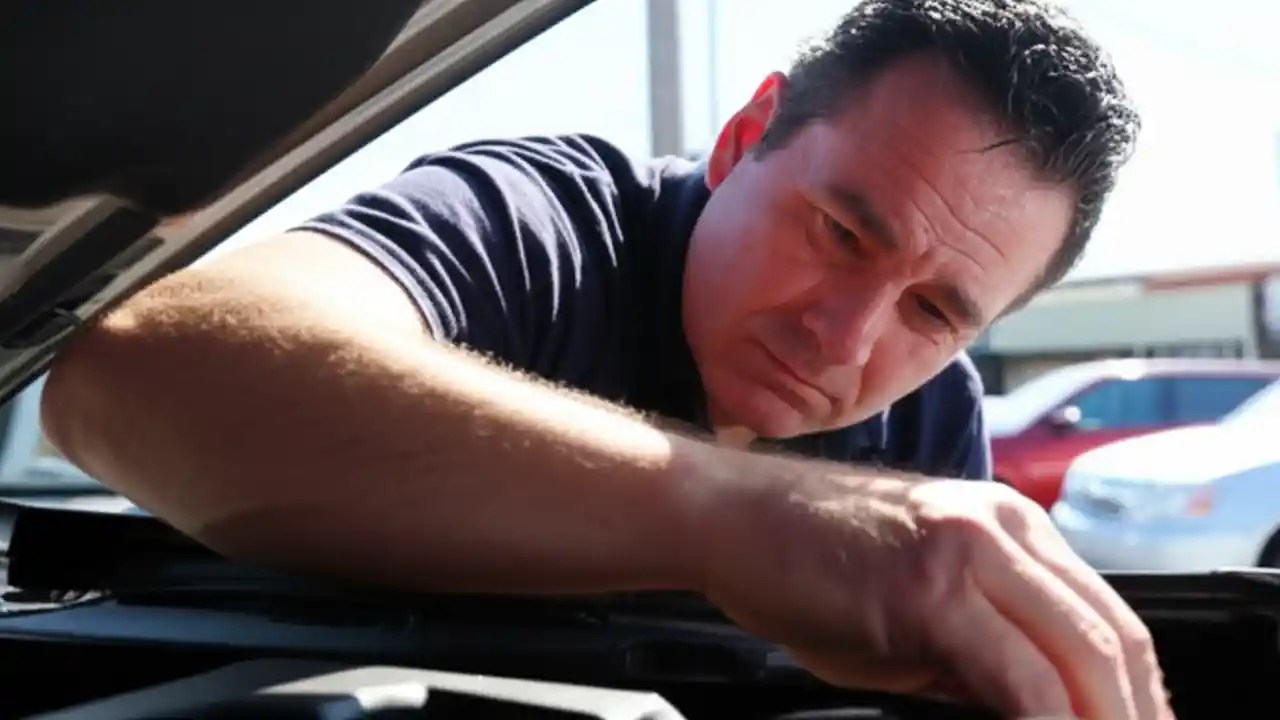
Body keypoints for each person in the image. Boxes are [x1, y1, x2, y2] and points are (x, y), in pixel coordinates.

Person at [38, 1, 1172, 718]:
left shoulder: (929, 429)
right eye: (838, 233)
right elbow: (126, 376)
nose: (842, 339)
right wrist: (745, 520)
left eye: (932, 312)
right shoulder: (546, 227)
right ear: (742, 136)